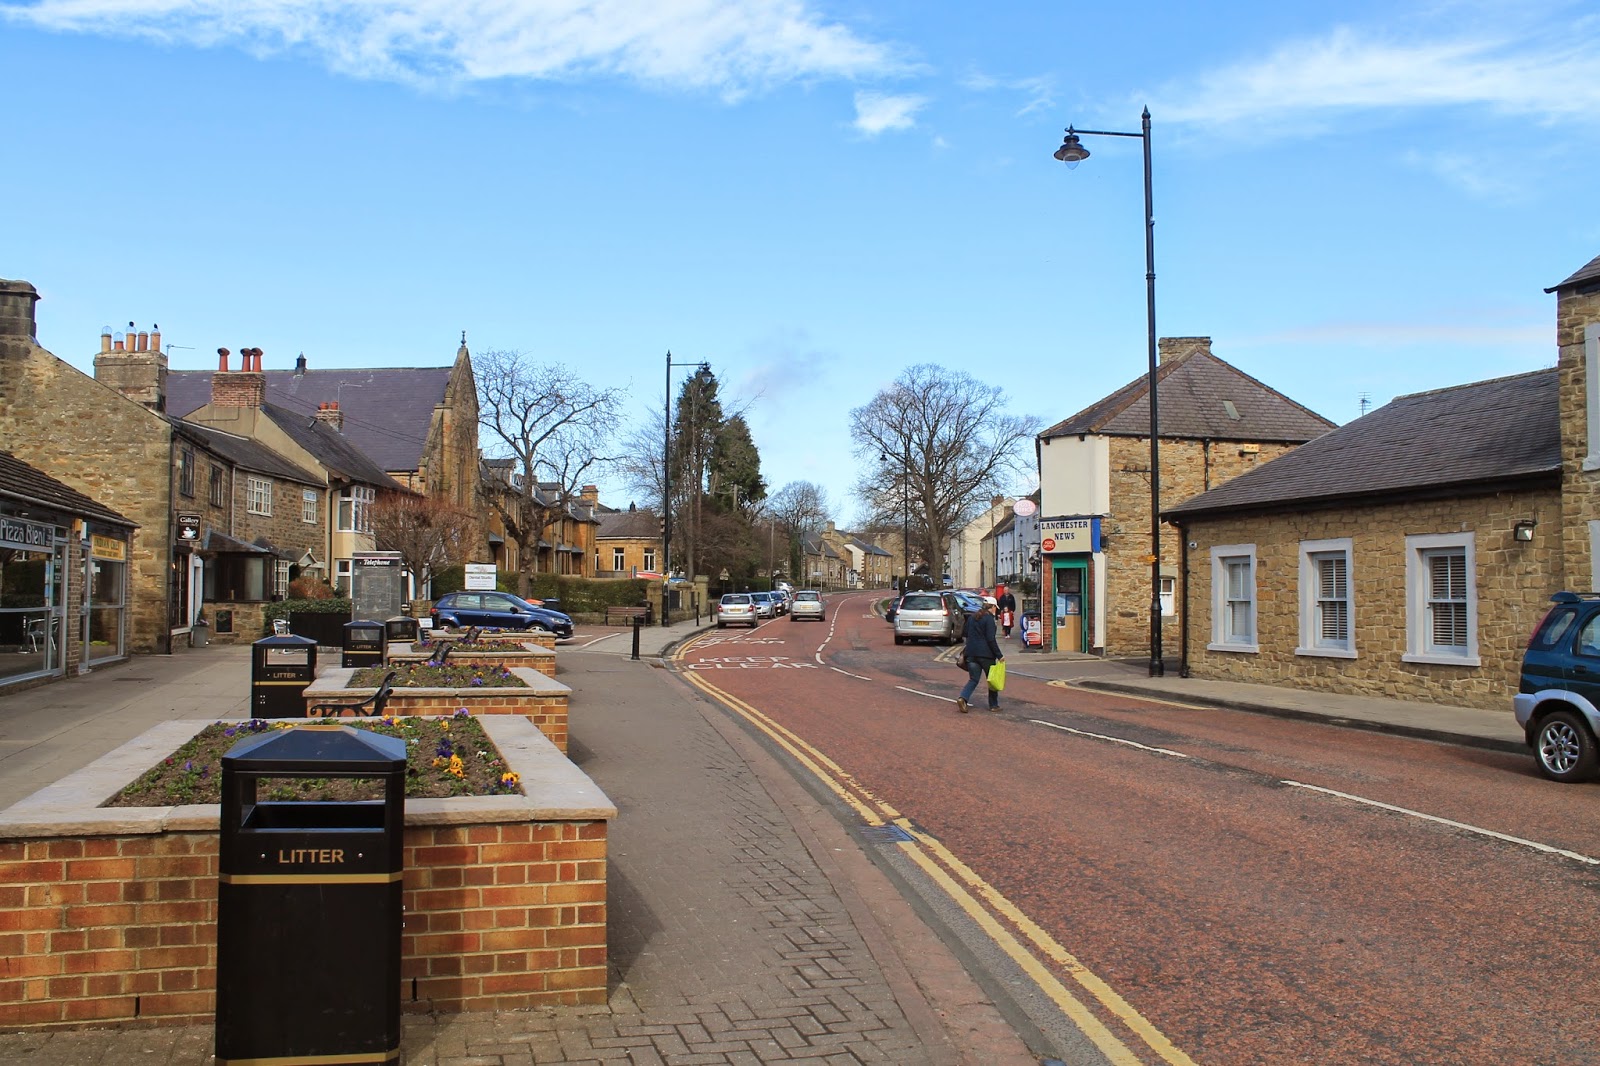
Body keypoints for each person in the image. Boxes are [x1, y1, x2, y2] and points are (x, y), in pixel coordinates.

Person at [956, 595, 1004, 713]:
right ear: (992, 607)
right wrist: (999, 655)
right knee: (992, 680)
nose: (995, 610)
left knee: (973, 679)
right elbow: (991, 639)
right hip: (986, 655)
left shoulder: (972, 617)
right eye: (995, 608)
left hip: (971, 654)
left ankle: (963, 698)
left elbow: (965, 633)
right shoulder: (989, 619)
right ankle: (993, 705)